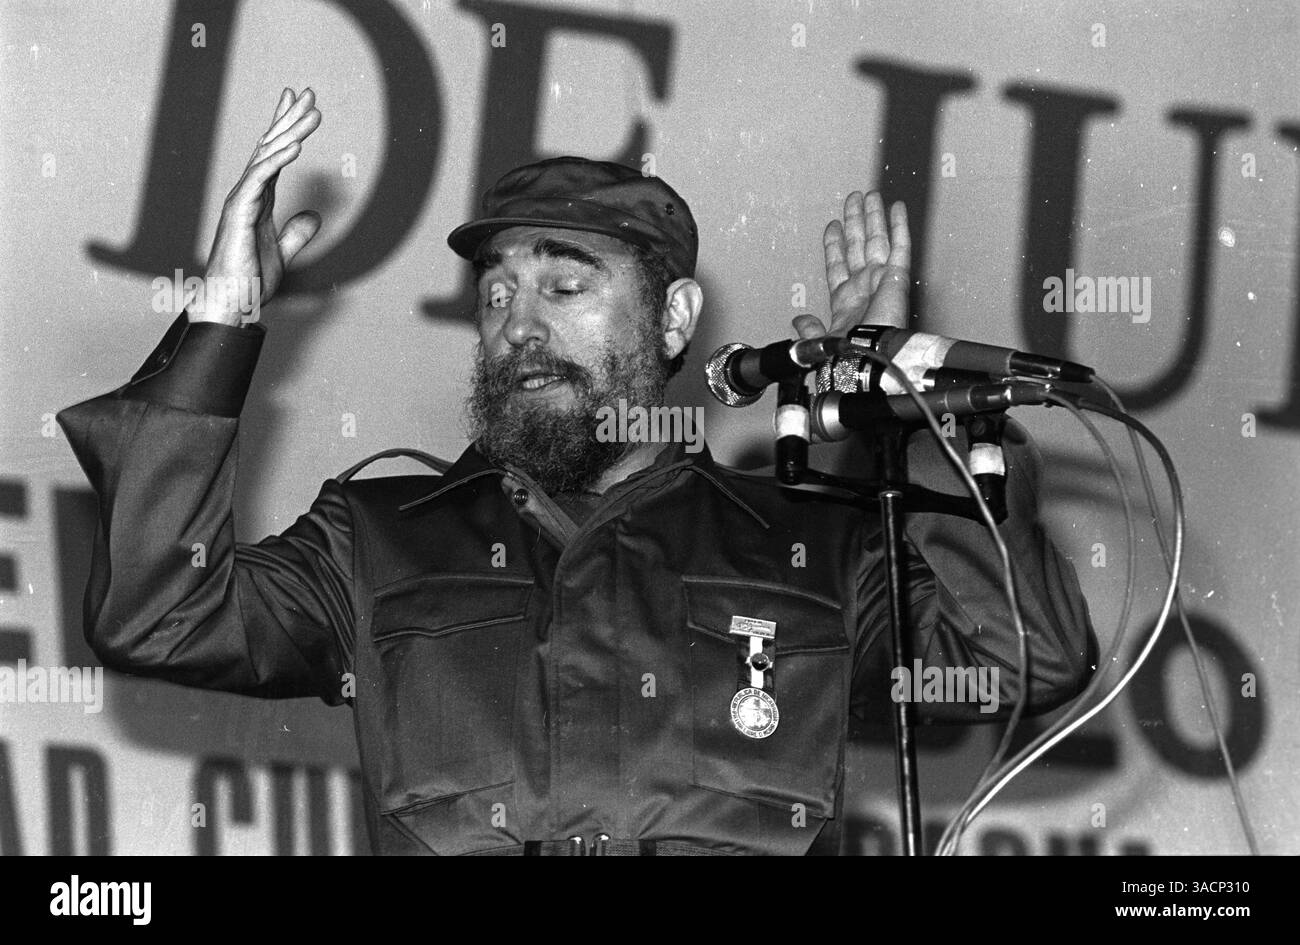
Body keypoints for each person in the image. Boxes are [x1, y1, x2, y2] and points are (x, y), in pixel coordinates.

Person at [57, 87, 1095, 856]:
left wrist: (900, 409)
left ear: (676, 319)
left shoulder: (809, 543)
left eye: (563, 285)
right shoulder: (377, 536)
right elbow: (155, 613)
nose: (517, 326)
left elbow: (1023, 660)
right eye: (498, 294)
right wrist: (222, 323)